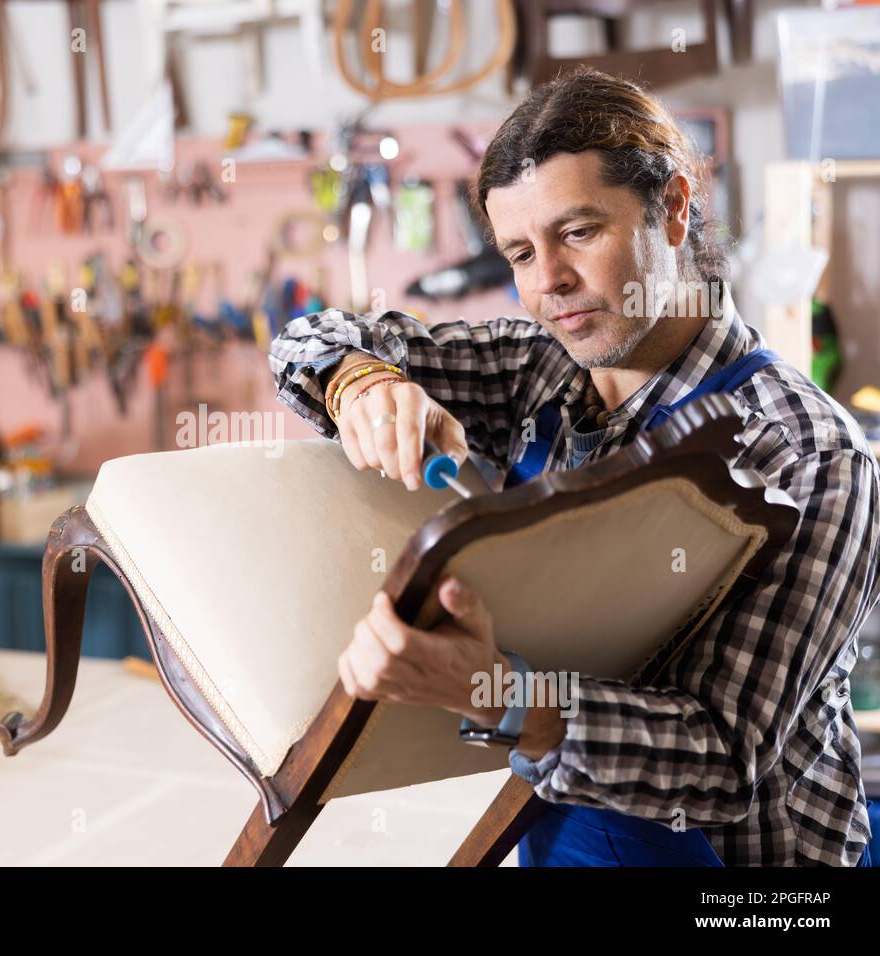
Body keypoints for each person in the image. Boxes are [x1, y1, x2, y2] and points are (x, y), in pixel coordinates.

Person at [268, 68, 880, 866]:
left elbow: (724, 762)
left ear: (672, 209)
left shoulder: (809, 454)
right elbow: (307, 338)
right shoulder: (534, 370)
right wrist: (362, 383)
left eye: (578, 232)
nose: (547, 280)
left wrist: (500, 695)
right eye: (520, 251)